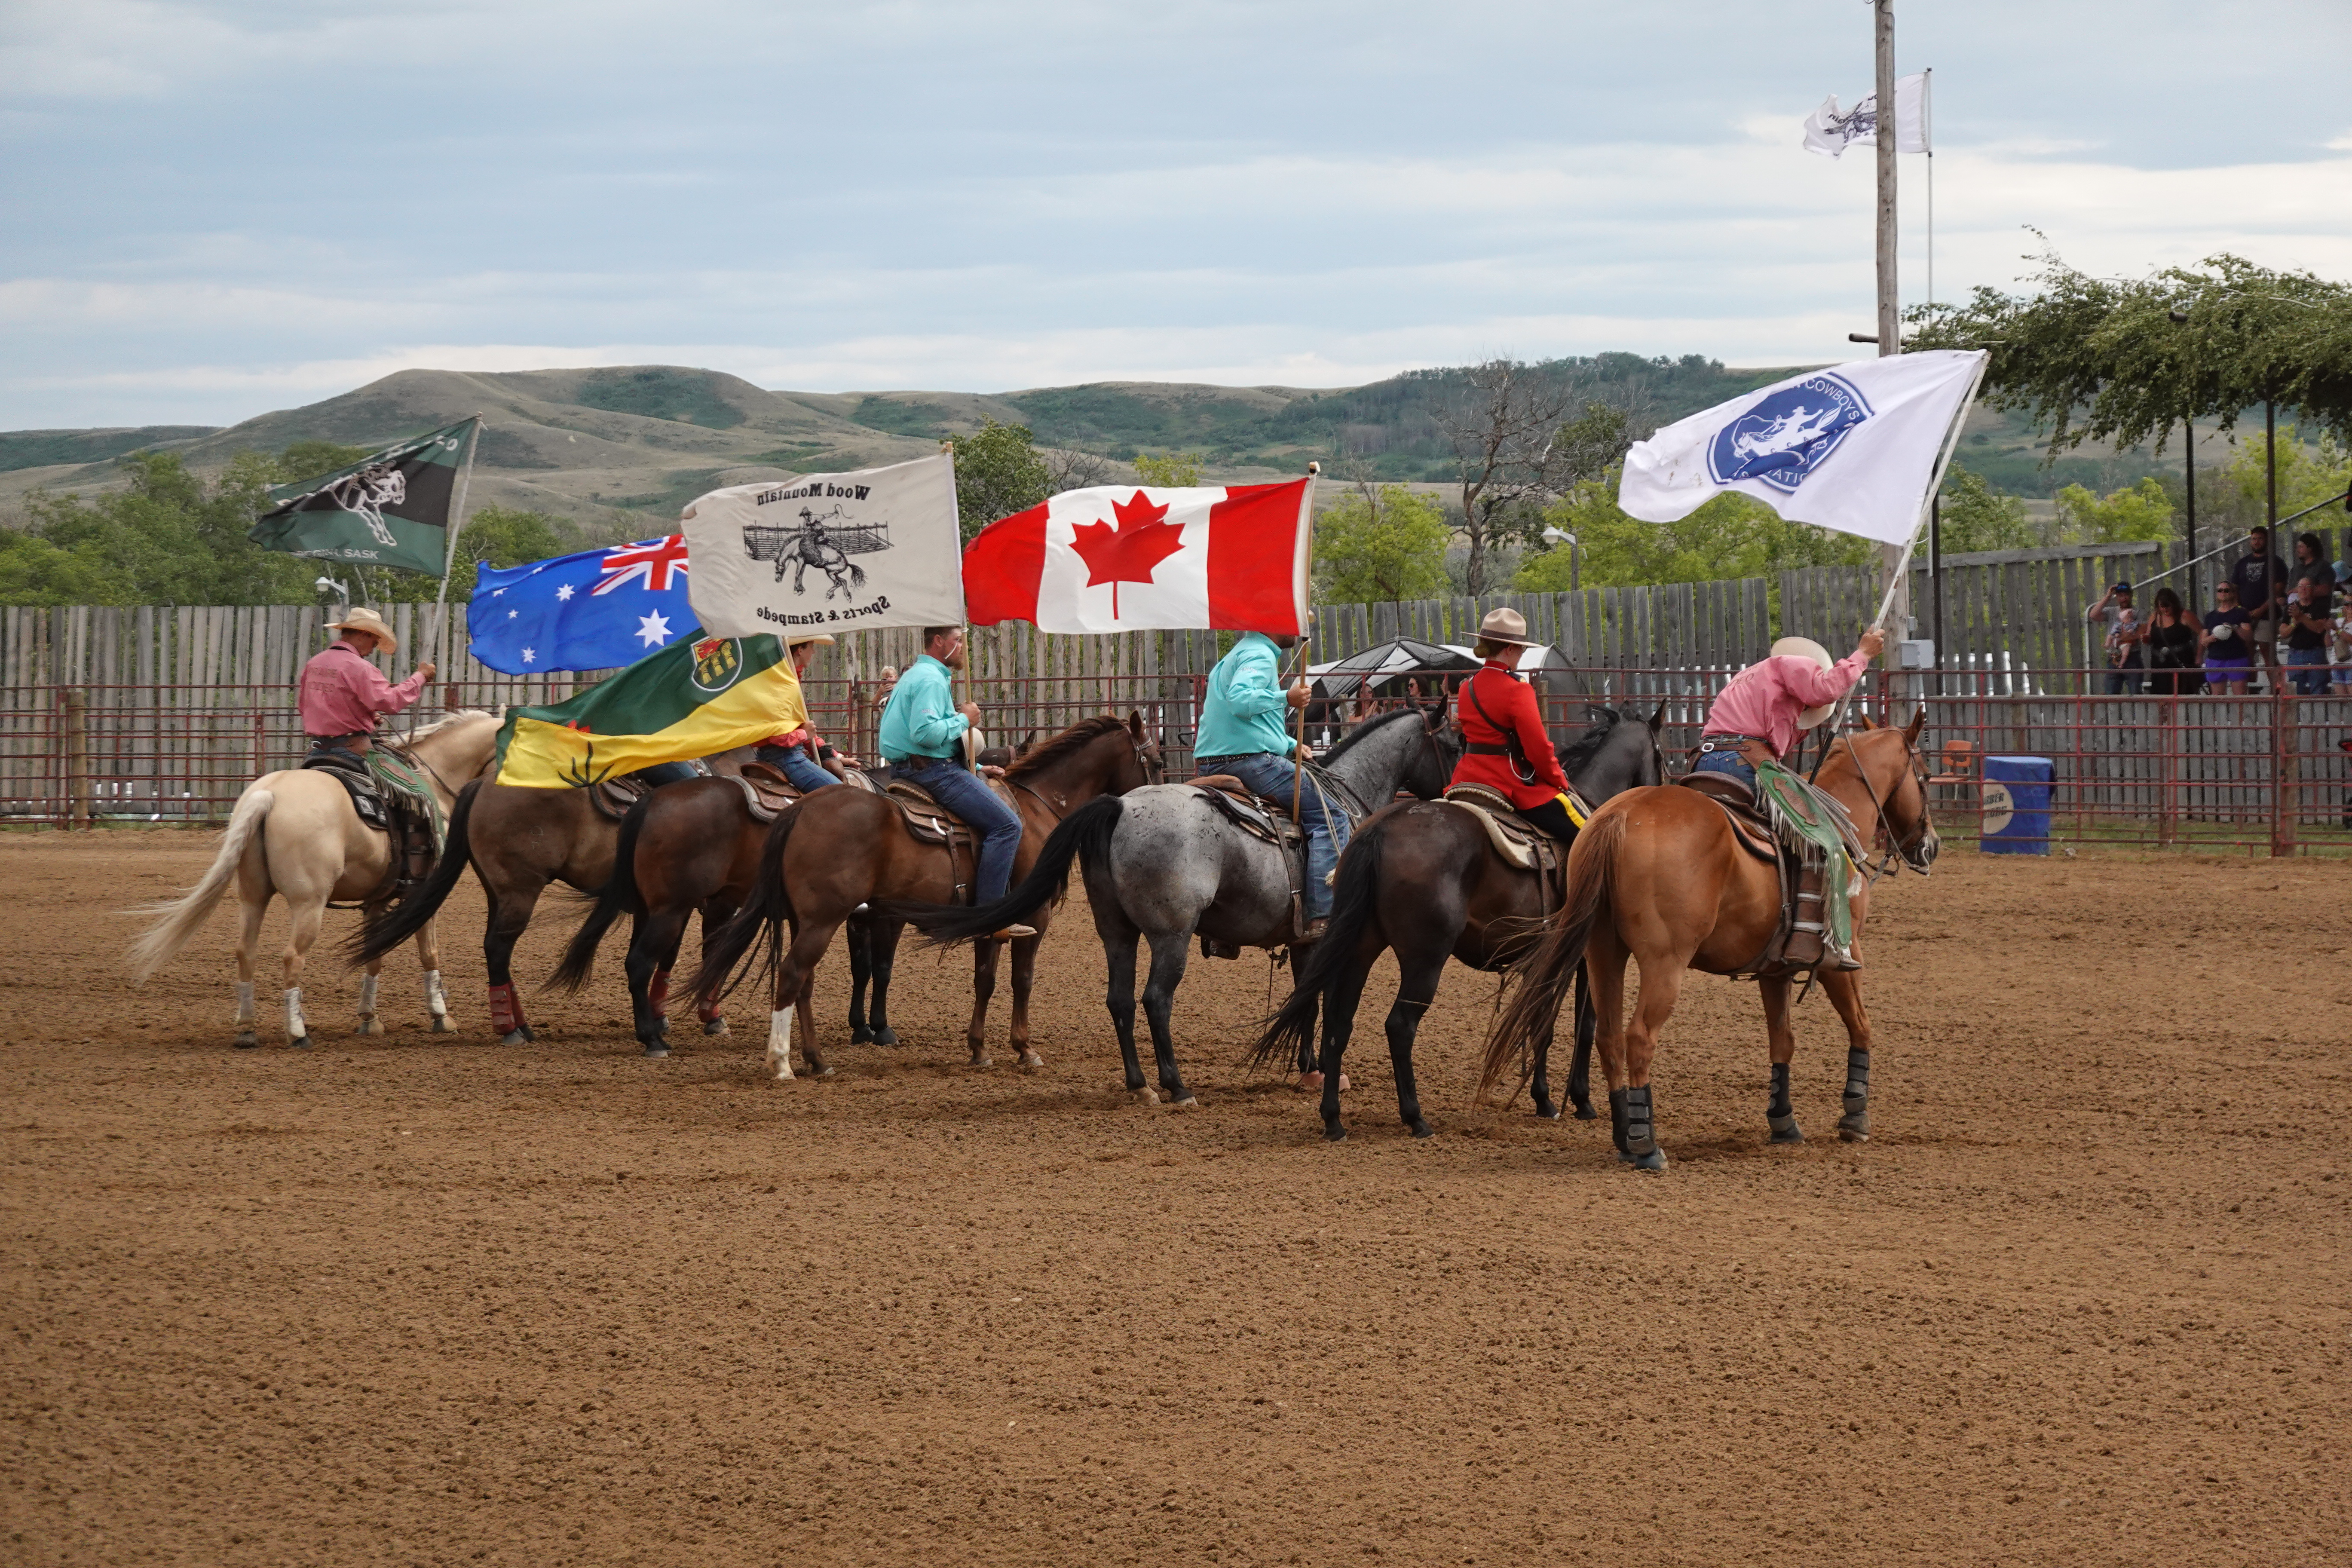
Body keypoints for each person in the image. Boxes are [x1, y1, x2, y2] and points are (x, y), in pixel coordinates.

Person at [1191, 623, 1343, 940]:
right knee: (1330, 817)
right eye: (1294, 622)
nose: (1299, 630)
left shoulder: (1240, 653)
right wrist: (1286, 696)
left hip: (1212, 762)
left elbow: (1243, 719)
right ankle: (1322, 916)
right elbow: (1240, 701)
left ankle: (1223, 935)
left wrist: (1289, 745)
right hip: (1249, 763)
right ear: (1275, 624)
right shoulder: (1260, 655)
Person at [877, 626, 1030, 938]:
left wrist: (978, 766)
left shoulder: (915, 674)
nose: (963, 648)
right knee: (1007, 826)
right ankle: (990, 918)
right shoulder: (931, 679)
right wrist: (965, 720)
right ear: (939, 642)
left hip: (911, 767)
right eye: (957, 641)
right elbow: (925, 734)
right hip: (933, 772)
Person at [1692, 628, 1885, 792]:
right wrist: (1863, 654)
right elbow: (1825, 691)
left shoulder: (1747, 677)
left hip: (1705, 759)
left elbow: (1784, 728)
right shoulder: (1797, 664)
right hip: (1743, 761)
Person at [1449, 607, 1578, 840]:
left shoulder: (1466, 687)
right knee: (1586, 833)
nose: (1521, 655)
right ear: (1509, 649)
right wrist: (1558, 779)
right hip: (1508, 780)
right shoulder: (1518, 690)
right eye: (1521, 649)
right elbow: (1538, 749)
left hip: (1466, 779)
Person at [297, 606, 434, 765]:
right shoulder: (360, 667)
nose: (372, 651)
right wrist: (420, 676)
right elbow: (390, 701)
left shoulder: (314, 663)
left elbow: (306, 706)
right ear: (363, 635)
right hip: (352, 749)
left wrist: (361, 716)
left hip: (317, 749)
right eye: (374, 643)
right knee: (407, 784)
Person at [755, 633, 850, 791]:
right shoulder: (784, 685)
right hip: (786, 758)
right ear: (800, 650)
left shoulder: (787, 680)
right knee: (842, 795)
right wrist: (804, 734)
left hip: (780, 754)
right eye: (812, 647)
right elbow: (778, 737)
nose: (814, 652)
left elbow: (802, 727)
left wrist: (835, 755)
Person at [2228, 525, 2290, 685]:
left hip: (2267, 616)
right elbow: (2234, 588)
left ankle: (2277, 691)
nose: (2257, 542)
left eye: (2260, 538)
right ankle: (2252, 690)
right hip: (2245, 616)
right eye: (2254, 539)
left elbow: (2277, 592)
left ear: (2267, 540)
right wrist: (2241, 610)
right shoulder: (2242, 563)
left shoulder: (2276, 563)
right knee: (2247, 653)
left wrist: (2260, 610)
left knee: (2267, 651)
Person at [2085, 582, 2144, 695]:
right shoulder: (2112, 611)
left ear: (2131, 595)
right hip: (2114, 658)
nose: (2124, 599)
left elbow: (2140, 632)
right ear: (2117, 597)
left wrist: (2120, 638)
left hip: (2132, 657)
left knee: (2135, 692)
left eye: (2126, 595)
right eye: (2120, 596)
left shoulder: (2138, 613)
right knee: (2111, 694)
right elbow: (2093, 615)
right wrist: (2108, 596)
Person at [2141, 587, 2202, 696]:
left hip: (2181, 662)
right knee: (2161, 697)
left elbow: (2203, 633)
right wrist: (2146, 638)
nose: (2165, 610)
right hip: (2159, 664)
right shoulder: (2155, 616)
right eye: (2162, 607)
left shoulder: (2185, 615)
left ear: (2174, 604)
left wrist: (2199, 655)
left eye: (2167, 606)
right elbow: (2149, 634)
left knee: (2183, 695)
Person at [2282, 575, 2336, 695]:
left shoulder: (2321, 608)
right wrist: (2294, 625)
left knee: (2318, 689)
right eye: (2301, 587)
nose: (2304, 589)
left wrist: (2301, 617)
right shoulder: (2291, 608)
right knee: (2295, 691)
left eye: (2308, 586)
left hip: (2315, 653)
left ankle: (2318, 714)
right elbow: (2283, 633)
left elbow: (2318, 629)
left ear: (2313, 590)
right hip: (2295, 654)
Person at [2200, 582, 2254, 696]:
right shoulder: (2211, 616)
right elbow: (2203, 641)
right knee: (2218, 700)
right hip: (2216, 659)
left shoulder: (2241, 613)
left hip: (2236, 658)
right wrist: (2213, 638)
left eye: (2226, 590)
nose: (2223, 593)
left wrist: (2235, 629)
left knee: (2240, 699)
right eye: (2220, 590)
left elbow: (2249, 637)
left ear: (2233, 593)